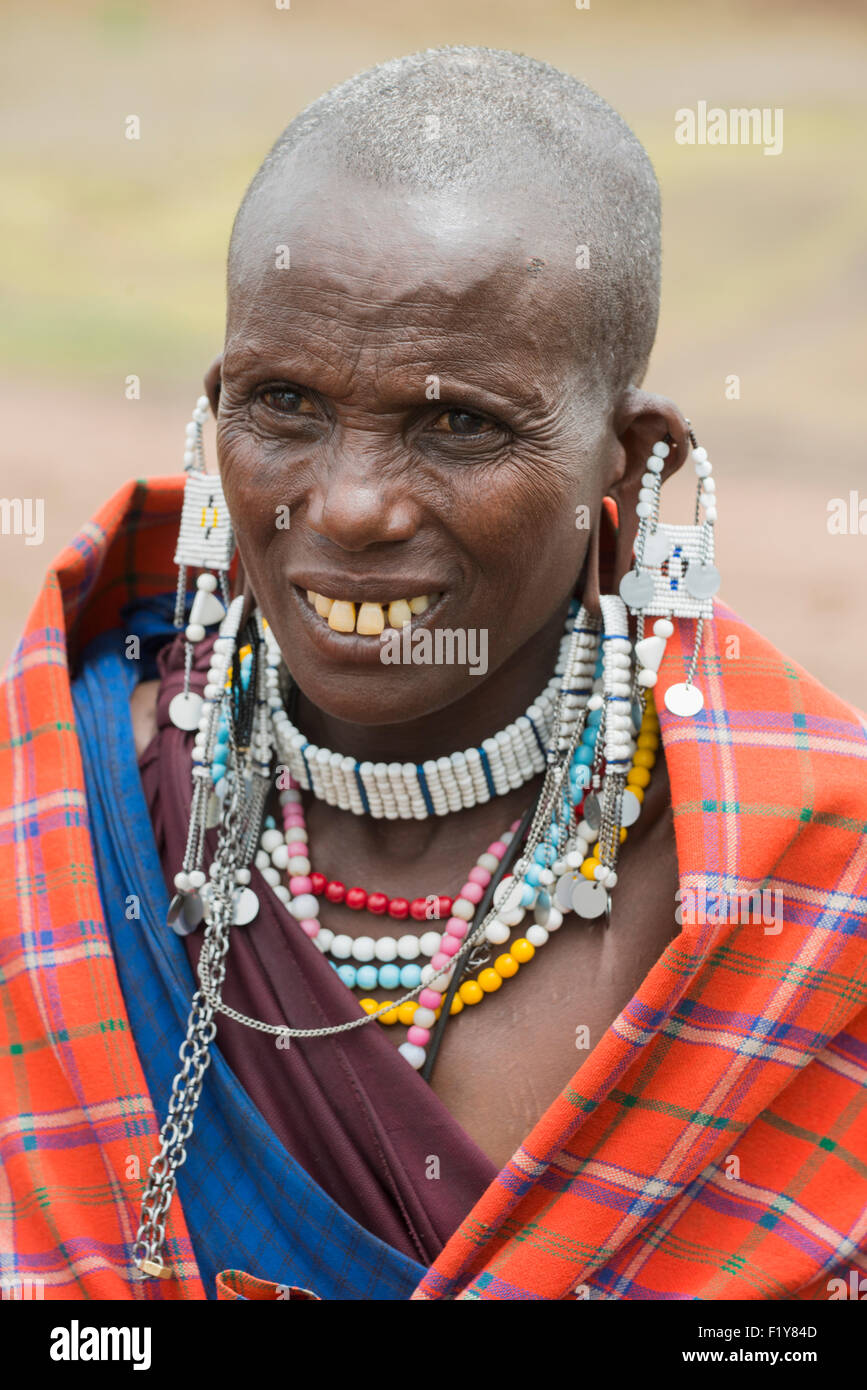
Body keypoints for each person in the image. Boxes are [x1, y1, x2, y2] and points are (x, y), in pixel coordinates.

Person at [2, 46, 865, 1304]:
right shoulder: (62, 829)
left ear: (630, 465)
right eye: (285, 403)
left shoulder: (807, 885)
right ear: (214, 410)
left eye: (456, 421)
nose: (348, 507)